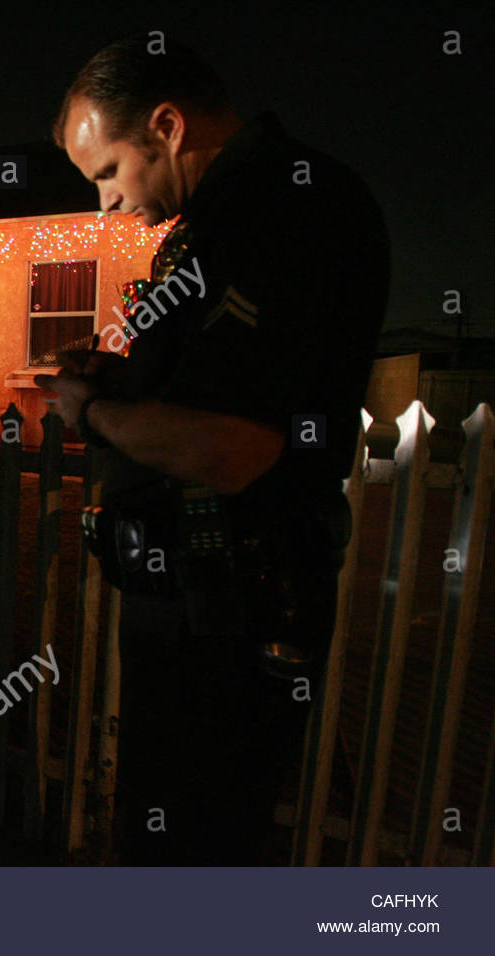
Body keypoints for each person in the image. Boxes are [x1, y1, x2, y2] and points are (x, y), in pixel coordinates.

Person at [36, 36, 389, 863]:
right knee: (169, 827)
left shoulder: (285, 213)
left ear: (166, 125)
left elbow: (238, 446)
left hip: (232, 606)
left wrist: (95, 414)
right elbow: (212, 383)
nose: (105, 207)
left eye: (108, 174)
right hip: (194, 598)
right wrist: (122, 377)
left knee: (193, 844)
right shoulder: (222, 222)